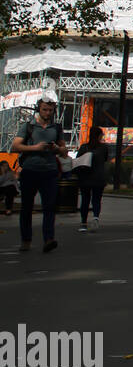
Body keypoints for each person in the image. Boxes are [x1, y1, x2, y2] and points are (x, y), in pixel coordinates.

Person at [11, 97, 66, 253]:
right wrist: (35, 148)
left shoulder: (56, 128)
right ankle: (26, 240)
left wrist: (56, 148)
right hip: (30, 171)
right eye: (44, 110)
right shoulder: (28, 126)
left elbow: (64, 151)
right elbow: (15, 146)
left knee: (49, 207)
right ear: (38, 109)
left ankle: (49, 239)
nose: (47, 113)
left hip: (49, 171)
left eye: (50, 110)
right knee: (26, 207)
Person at [75, 125, 110, 232]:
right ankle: (95, 218)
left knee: (85, 200)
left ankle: (83, 223)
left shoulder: (84, 147)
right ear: (99, 136)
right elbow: (105, 159)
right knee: (96, 200)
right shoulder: (103, 148)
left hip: (85, 178)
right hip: (98, 178)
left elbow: (78, 160)